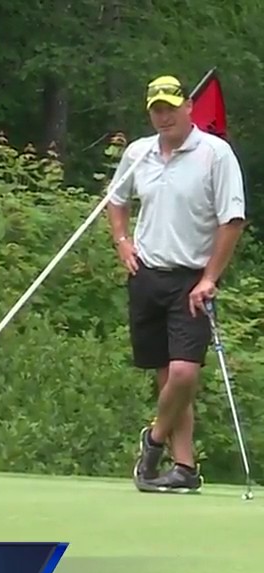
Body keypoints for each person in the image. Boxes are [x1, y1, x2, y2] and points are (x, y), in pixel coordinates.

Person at [106, 74, 247, 493]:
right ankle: (184, 467)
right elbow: (116, 200)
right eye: (157, 110)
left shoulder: (214, 154)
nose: (164, 116)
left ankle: (152, 442)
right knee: (167, 375)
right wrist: (122, 242)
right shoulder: (138, 153)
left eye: (171, 107)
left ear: (189, 107)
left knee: (184, 373)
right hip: (146, 275)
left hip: (192, 280)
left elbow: (232, 220)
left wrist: (210, 278)